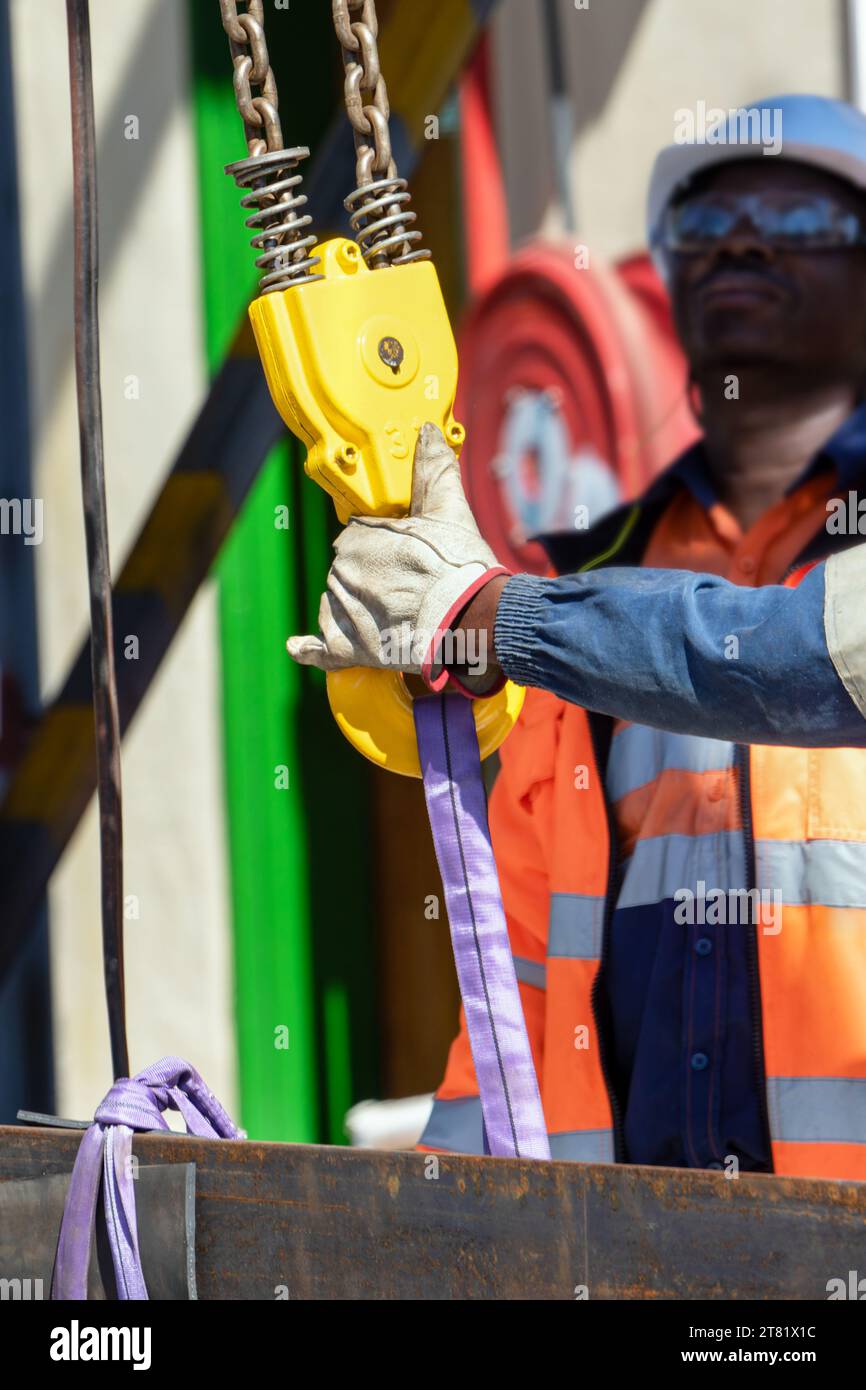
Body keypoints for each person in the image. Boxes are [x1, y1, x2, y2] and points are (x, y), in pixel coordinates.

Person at [289, 94, 866, 1179]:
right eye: (704, 226)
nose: (739, 247)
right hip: (637, 1256)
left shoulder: (552, 614)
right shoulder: (586, 586)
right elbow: (512, 968)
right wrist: (446, 1241)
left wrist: (485, 614)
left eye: (794, 222)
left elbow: (784, 654)